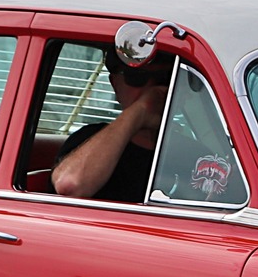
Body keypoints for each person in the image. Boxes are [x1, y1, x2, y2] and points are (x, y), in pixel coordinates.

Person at [51, 49, 172, 200]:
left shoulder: (192, 152)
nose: (152, 91)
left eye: (165, 79)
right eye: (136, 77)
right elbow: (69, 185)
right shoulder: (88, 140)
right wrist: (140, 111)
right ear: (115, 84)